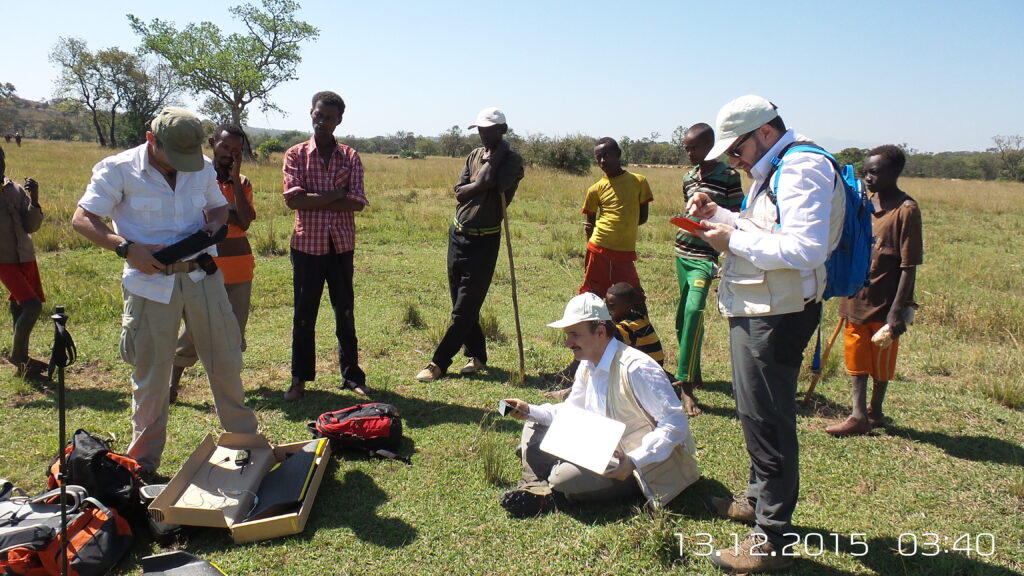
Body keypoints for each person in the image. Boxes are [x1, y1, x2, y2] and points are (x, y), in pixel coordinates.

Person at [687, 95, 844, 573]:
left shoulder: (800, 169)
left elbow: (806, 247)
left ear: (766, 134)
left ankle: (771, 538)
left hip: (777, 314)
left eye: (736, 150)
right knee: (755, 411)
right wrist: (720, 215)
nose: (733, 161)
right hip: (763, 305)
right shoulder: (774, 171)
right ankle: (757, 502)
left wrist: (731, 240)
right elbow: (768, 231)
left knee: (768, 419)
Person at [71, 107, 259, 475]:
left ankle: (246, 445)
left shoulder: (201, 166)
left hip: (203, 276)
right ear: (151, 140)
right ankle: (142, 465)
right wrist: (125, 247)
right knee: (151, 375)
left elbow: (219, 210)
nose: (181, 165)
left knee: (226, 362)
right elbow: (83, 219)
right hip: (149, 285)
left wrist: (212, 230)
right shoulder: (118, 169)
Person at [499, 292, 696, 517]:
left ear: (600, 332)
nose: (568, 343)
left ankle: (547, 485)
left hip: (635, 465)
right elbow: (572, 411)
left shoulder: (636, 368)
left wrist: (633, 461)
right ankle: (536, 486)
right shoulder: (588, 364)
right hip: (596, 447)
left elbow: (675, 424)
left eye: (574, 335)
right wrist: (529, 411)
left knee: (562, 477)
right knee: (533, 425)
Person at [415, 107, 524, 382]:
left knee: (463, 308)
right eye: (480, 129)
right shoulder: (474, 155)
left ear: (503, 129)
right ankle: (476, 355)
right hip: (458, 234)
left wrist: (495, 160)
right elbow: (459, 193)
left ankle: (438, 363)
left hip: (485, 240)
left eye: (489, 129)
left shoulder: (511, 160)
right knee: (461, 303)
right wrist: (476, 186)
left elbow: (486, 181)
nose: (484, 134)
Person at [827, 145, 923, 437]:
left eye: (875, 172)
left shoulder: (906, 210)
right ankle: (859, 414)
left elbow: (909, 265)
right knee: (855, 352)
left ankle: (874, 410)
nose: (868, 178)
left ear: (894, 172)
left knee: (881, 355)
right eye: (865, 172)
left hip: (886, 298)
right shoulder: (863, 203)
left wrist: (898, 309)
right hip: (857, 293)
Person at [282, 91, 370, 401]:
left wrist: (316, 198)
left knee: (345, 312)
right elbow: (294, 199)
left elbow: (357, 203)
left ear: (339, 121)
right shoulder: (295, 154)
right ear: (311, 112)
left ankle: (352, 376)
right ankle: (299, 379)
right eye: (319, 114)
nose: (323, 120)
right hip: (307, 246)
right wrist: (336, 194)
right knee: (304, 315)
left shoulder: (350, 155)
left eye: (329, 117)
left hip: (341, 246)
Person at [170, 124, 256, 403]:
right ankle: (172, 385)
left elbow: (244, 220)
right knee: (194, 330)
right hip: (204, 266)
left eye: (236, 150)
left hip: (239, 266)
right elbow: (200, 218)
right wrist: (226, 212)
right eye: (225, 146)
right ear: (211, 143)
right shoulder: (194, 177)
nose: (229, 153)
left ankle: (231, 391)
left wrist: (233, 186)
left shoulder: (242, 182)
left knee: (234, 332)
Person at [674, 123, 743, 417]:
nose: (690, 153)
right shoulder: (689, 178)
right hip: (682, 253)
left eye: (695, 147)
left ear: (710, 146)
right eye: (687, 148)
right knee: (682, 319)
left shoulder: (729, 176)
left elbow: (740, 217)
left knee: (694, 314)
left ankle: (685, 386)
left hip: (705, 257)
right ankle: (695, 370)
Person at [544, 282, 674, 401]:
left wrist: (593, 322)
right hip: (633, 370)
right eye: (606, 305)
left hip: (643, 376)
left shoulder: (635, 324)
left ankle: (571, 390)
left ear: (628, 306)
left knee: (593, 346)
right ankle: (574, 385)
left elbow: (609, 337)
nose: (608, 310)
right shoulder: (622, 318)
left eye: (611, 306)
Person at [579, 137, 652, 299]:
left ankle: (632, 325)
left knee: (633, 297)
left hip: (624, 252)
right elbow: (589, 226)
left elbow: (642, 217)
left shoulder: (639, 181)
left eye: (606, 155)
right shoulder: (594, 189)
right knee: (592, 296)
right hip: (598, 249)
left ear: (618, 154)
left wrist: (622, 228)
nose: (602, 160)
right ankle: (595, 325)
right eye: (598, 157)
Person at [0, 145, 47, 378]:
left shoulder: (14, 189)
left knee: (20, 306)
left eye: (1, 159)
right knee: (32, 306)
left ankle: (23, 367)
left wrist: (34, 199)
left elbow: (31, 226)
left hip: (25, 256)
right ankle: (18, 356)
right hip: (4, 261)